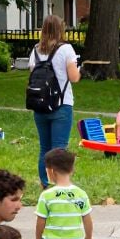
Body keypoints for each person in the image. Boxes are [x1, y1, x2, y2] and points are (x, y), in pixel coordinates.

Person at [29, 14, 81, 188]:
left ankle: (45, 184)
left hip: (40, 105)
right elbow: (74, 78)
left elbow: (32, 76)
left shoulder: (36, 50)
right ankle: (61, 185)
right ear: (61, 29)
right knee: (59, 149)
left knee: (44, 148)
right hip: (61, 105)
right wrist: (79, 69)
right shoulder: (66, 49)